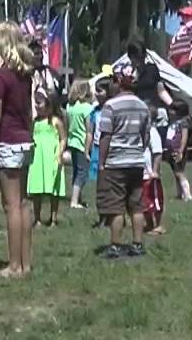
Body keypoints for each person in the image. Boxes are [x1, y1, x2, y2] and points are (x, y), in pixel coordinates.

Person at [0, 21, 37, 278]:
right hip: (26, 138)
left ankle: (14, 265)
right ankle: (26, 263)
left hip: (8, 140)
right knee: (24, 203)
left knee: (11, 205)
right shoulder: (24, 73)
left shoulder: (0, 75)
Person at [96, 64, 150, 259]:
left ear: (118, 82)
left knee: (115, 206)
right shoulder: (143, 106)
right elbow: (146, 136)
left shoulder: (111, 106)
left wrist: (102, 161)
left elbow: (106, 136)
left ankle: (116, 245)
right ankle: (137, 244)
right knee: (136, 205)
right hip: (136, 162)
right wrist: (138, 152)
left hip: (115, 163)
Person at [27, 91, 67, 228]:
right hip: (37, 158)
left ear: (49, 105)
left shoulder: (56, 122)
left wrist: (60, 153)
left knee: (53, 189)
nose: (37, 106)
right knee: (37, 189)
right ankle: (37, 218)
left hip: (52, 158)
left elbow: (63, 138)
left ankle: (53, 218)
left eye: (39, 103)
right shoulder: (35, 122)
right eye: (35, 103)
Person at [66, 81, 95, 209]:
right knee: (82, 173)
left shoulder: (70, 107)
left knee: (77, 171)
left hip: (72, 142)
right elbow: (89, 132)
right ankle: (74, 201)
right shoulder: (87, 108)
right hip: (82, 144)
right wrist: (87, 150)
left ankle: (78, 198)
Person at [165, 100, 192, 202]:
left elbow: (184, 137)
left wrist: (181, 150)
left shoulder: (183, 123)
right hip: (172, 150)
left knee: (179, 172)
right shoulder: (174, 122)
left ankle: (187, 194)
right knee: (176, 173)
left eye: (172, 110)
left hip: (178, 150)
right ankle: (180, 194)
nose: (169, 112)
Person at [142, 125, 165, 235]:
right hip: (140, 174)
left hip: (150, 174)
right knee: (144, 202)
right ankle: (149, 224)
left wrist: (155, 171)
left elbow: (158, 153)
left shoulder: (152, 131)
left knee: (154, 201)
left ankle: (158, 225)